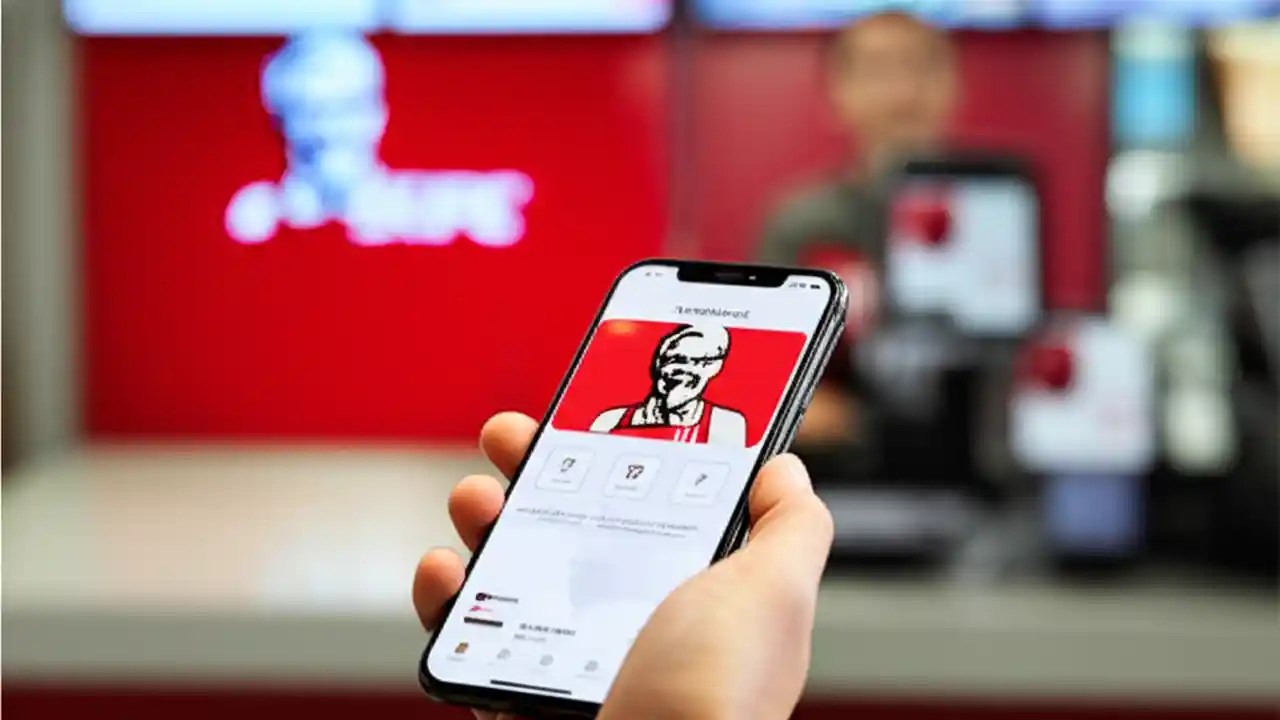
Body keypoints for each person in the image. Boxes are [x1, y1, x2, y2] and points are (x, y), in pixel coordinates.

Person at [413, 412, 834, 718]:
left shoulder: (729, 425)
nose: (679, 368)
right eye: (671, 356)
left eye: (698, 360)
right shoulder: (614, 418)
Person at [758, 11, 958, 454]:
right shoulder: (802, 224)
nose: (902, 93)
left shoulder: (996, 212)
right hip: (842, 480)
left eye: (920, 66)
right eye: (878, 70)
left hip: (977, 480)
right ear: (837, 91)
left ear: (952, 83)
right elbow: (762, 379)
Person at [590, 325, 747, 445]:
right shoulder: (610, 420)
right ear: (659, 364)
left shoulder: (725, 423)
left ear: (714, 369)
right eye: (676, 359)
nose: (684, 369)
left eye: (700, 362)